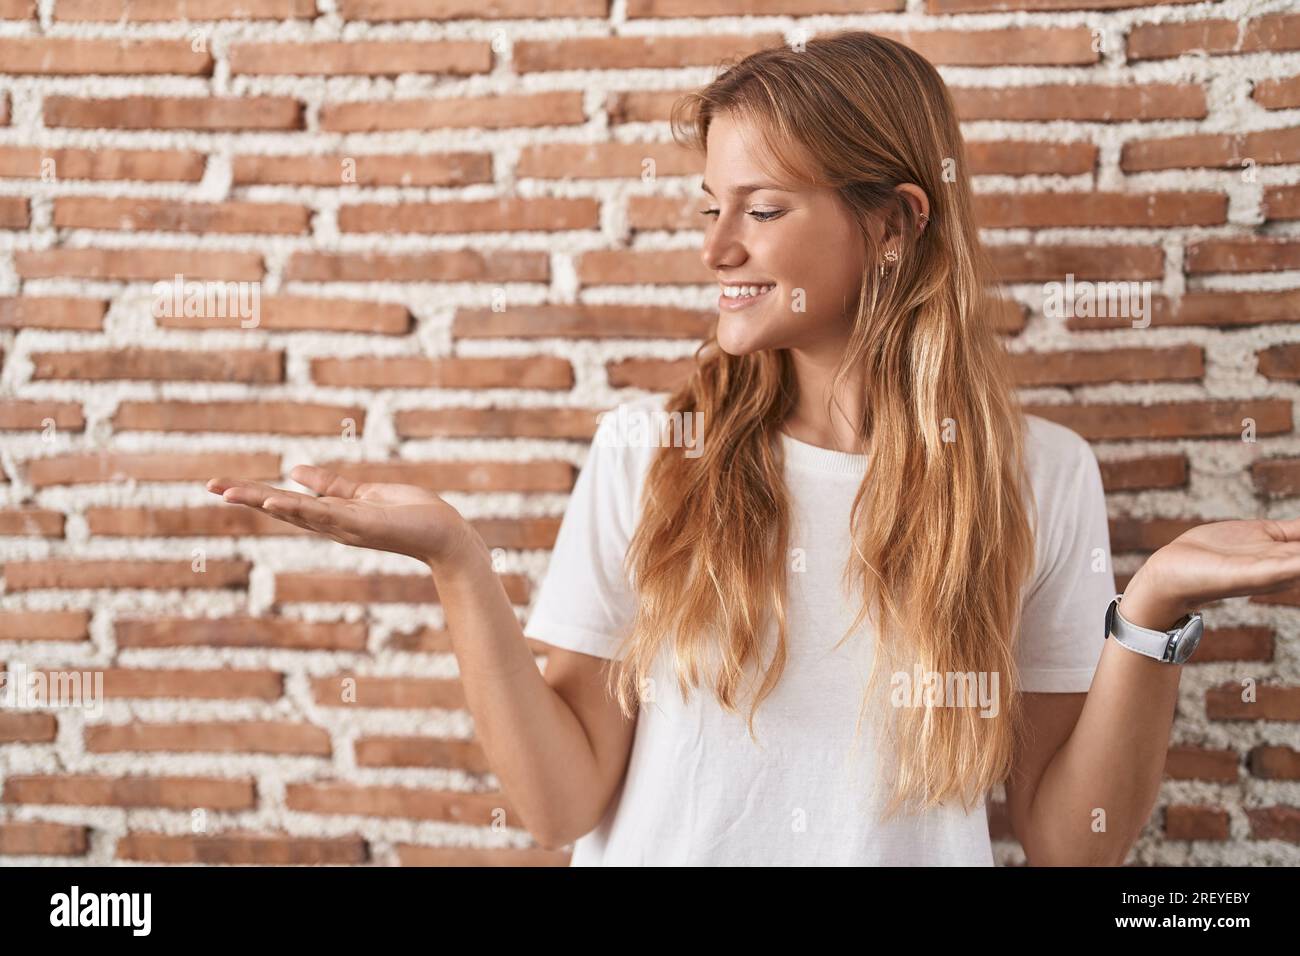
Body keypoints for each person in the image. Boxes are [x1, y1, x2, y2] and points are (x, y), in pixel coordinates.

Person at [207, 30, 1300, 866]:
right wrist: (457, 559)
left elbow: (1076, 839)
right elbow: (560, 804)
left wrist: (1151, 611)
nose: (714, 246)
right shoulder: (648, 452)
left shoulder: (1036, 474)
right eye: (709, 206)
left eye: (762, 209)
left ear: (892, 223)